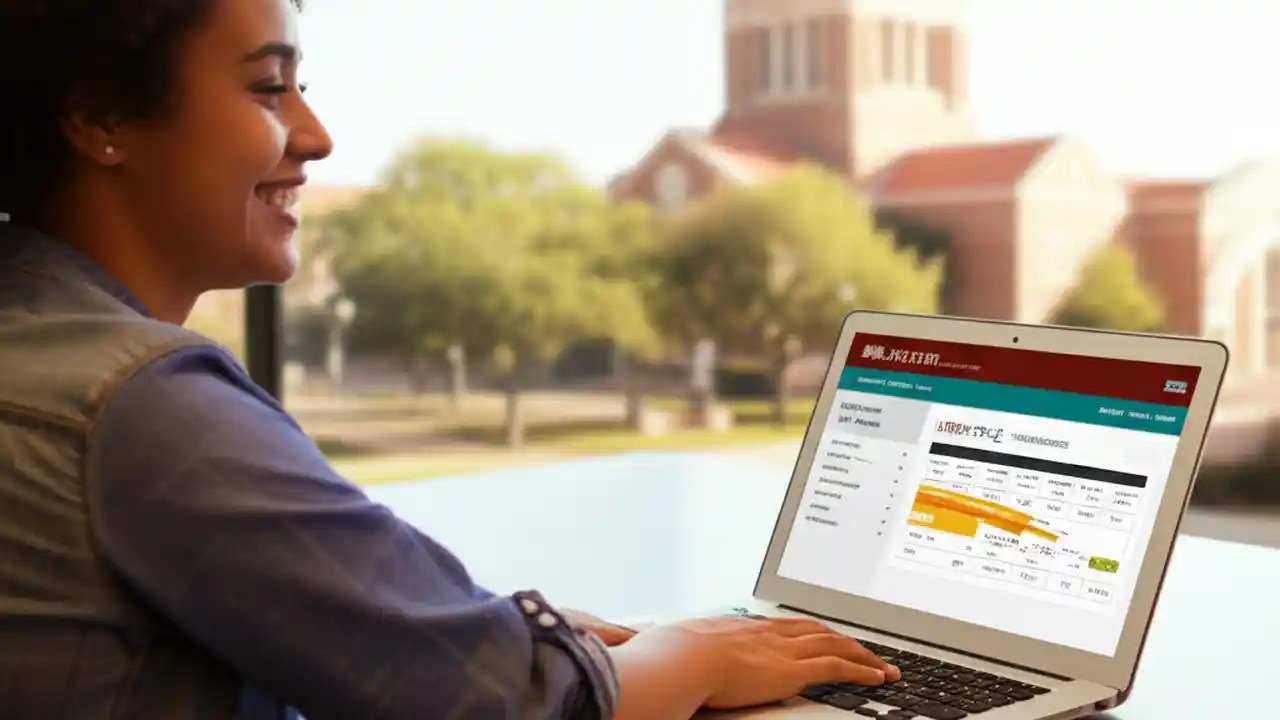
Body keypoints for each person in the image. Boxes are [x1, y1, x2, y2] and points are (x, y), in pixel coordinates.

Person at [0, 1, 898, 718]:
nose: (315, 136)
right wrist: (696, 653)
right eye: (270, 89)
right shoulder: (143, 403)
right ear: (101, 115)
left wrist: (492, 634)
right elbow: (515, 706)